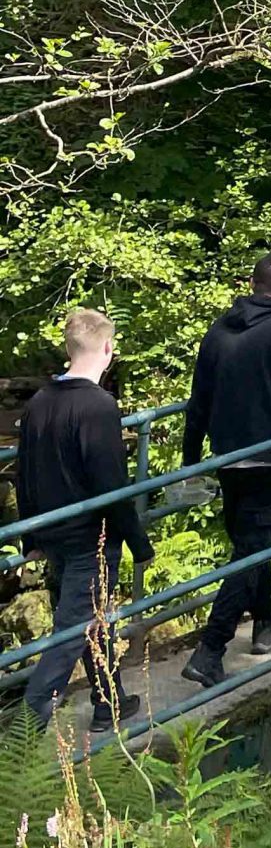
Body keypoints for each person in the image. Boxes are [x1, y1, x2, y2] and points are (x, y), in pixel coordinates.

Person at [181, 249, 271, 690]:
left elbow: (198, 401)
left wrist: (191, 460)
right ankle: (211, 648)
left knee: (249, 543)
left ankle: (265, 623)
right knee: (254, 550)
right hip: (268, 459)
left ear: (250, 283)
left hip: (228, 458)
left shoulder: (218, 333)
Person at [15, 308, 153, 732]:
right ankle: (25, 730)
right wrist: (139, 544)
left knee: (86, 618)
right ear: (108, 348)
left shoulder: (40, 402)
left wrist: (30, 535)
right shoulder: (98, 406)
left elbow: (24, 473)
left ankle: (108, 701)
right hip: (90, 539)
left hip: (53, 533)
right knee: (71, 633)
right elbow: (112, 486)